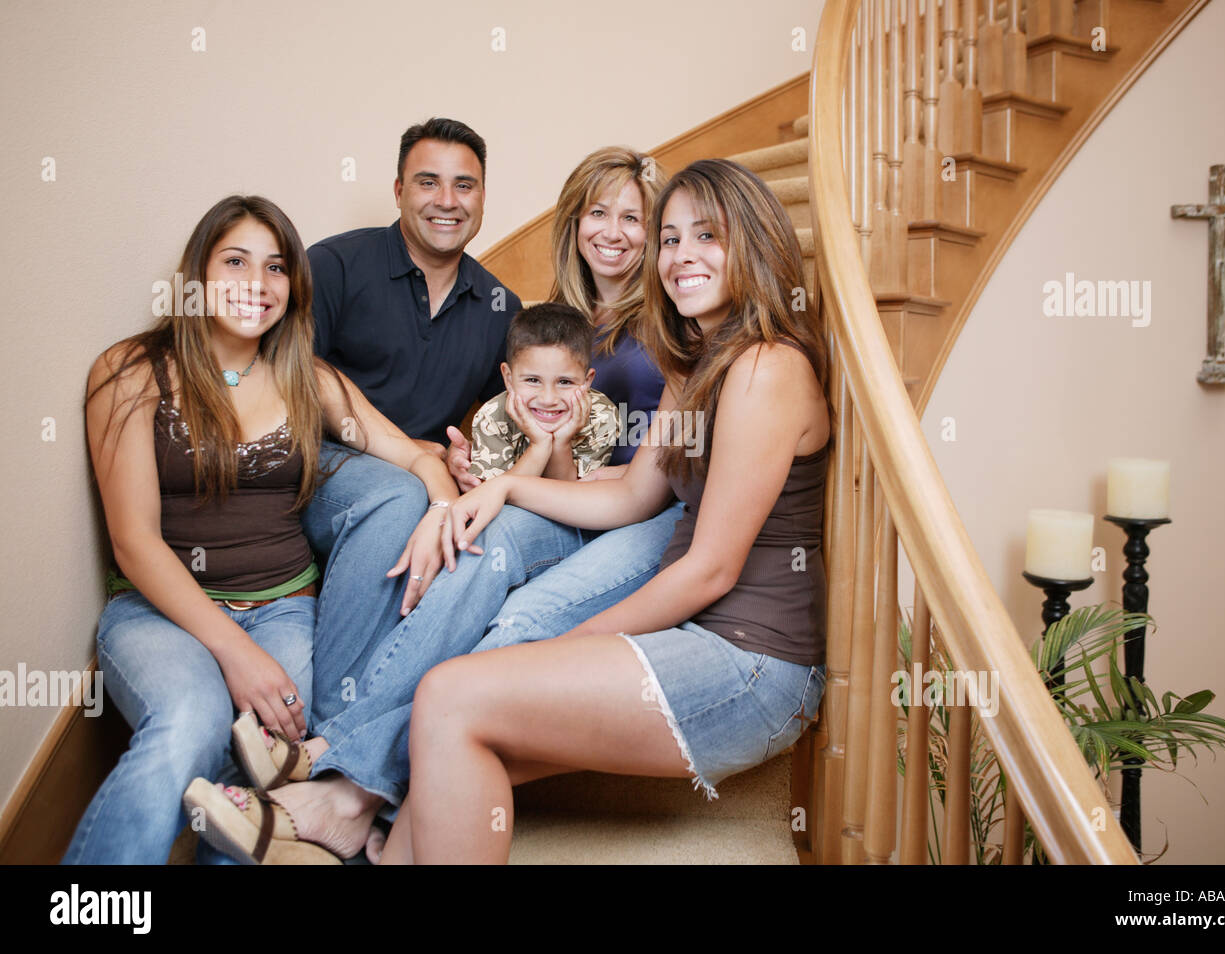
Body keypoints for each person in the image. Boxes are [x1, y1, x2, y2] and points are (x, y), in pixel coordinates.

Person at [183, 148, 691, 864]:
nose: (614, 231)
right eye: (597, 213)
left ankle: (336, 763)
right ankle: (347, 776)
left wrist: (504, 487)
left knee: (497, 543)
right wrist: (459, 467)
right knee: (473, 542)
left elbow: (640, 485)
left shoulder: (673, 313)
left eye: (635, 219)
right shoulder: (556, 316)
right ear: (573, 223)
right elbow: (507, 429)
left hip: (620, 509)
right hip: (563, 496)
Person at [385, 158, 831, 863]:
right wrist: (503, 486)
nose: (681, 256)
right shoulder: (704, 361)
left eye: (705, 236)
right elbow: (632, 495)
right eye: (672, 239)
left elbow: (710, 571)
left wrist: (574, 646)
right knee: (446, 743)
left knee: (448, 698)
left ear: (751, 241)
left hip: (751, 664)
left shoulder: (765, 368)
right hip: (698, 641)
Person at [62, 195, 458, 865]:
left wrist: (443, 509)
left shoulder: (309, 379)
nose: (258, 283)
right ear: (198, 274)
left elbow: (416, 455)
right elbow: (133, 539)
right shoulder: (129, 373)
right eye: (236, 261)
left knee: (272, 757)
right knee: (194, 724)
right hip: (160, 615)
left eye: (276, 267)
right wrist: (233, 653)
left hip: (285, 611)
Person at [300, 117, 522, 733]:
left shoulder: (503, 306)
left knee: (487, 534)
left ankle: (398, 736)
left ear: (482, 196)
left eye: (465, 186)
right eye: (429, 182)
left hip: (426, 483)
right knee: (397, 496)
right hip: (323, 470)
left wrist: (458, 461)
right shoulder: (335, 264)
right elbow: (300, 376)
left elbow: (479, 429)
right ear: (398, 189)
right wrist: (419, 464)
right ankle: (328, 730)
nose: (447, 201)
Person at [468, 303, 620, 482]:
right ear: (508, 379)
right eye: (533, 380)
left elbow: (571, 499)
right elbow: (492, 496)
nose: (548, 399)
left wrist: (561, 443)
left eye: (564, 382)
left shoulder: (602, 417)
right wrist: (539, 445)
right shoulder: (492, 417)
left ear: (587, 382)